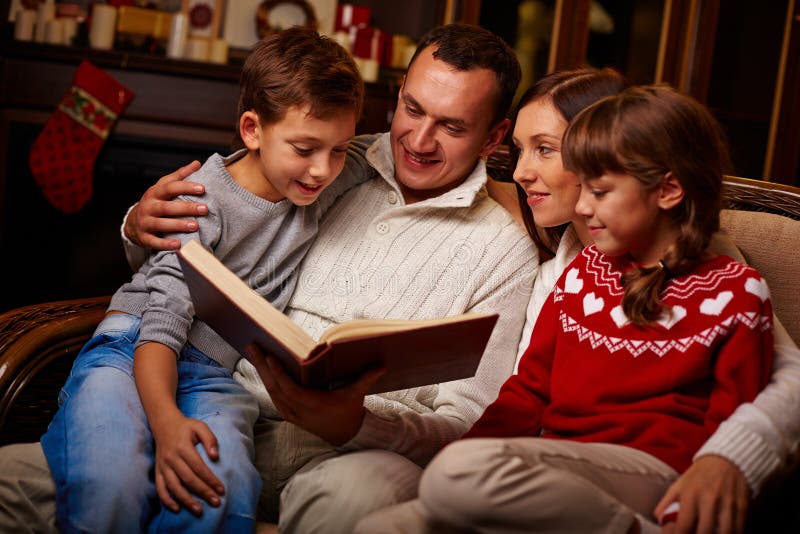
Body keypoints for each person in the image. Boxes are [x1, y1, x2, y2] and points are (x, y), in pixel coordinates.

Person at [0, 24, 536, 533]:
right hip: (215, 394)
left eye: (452, 126)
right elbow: (216, 230)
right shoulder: (344, 159)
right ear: (396, 97)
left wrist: (355, 425)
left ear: (493, 137)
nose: (418, 140)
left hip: (339, 447)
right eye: (412, 109)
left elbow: (470, 422)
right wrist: (139, 225)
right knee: (24, 480)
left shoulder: (503, 247)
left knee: (336, 497)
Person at [354, 70, 800, 534]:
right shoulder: (574, 271)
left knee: (456, 477)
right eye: (520, 150)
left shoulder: (726, 278)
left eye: (546, 149)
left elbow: (776, 386)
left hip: (647, 474)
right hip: (544, 470)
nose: (523, 170)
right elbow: (527, 391)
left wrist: (725, 459)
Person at [32, 27, 366, 532]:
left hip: (213, 372)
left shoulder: (320, 175)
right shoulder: (198, 204)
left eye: (339, 149)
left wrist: (501, 187)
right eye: (305, 148)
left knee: (223, 484)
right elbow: (162, 325)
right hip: (135, 347)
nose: (323, 171)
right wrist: (166, 426)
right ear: (252, 130)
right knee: (112, 482)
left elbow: (388, 153)